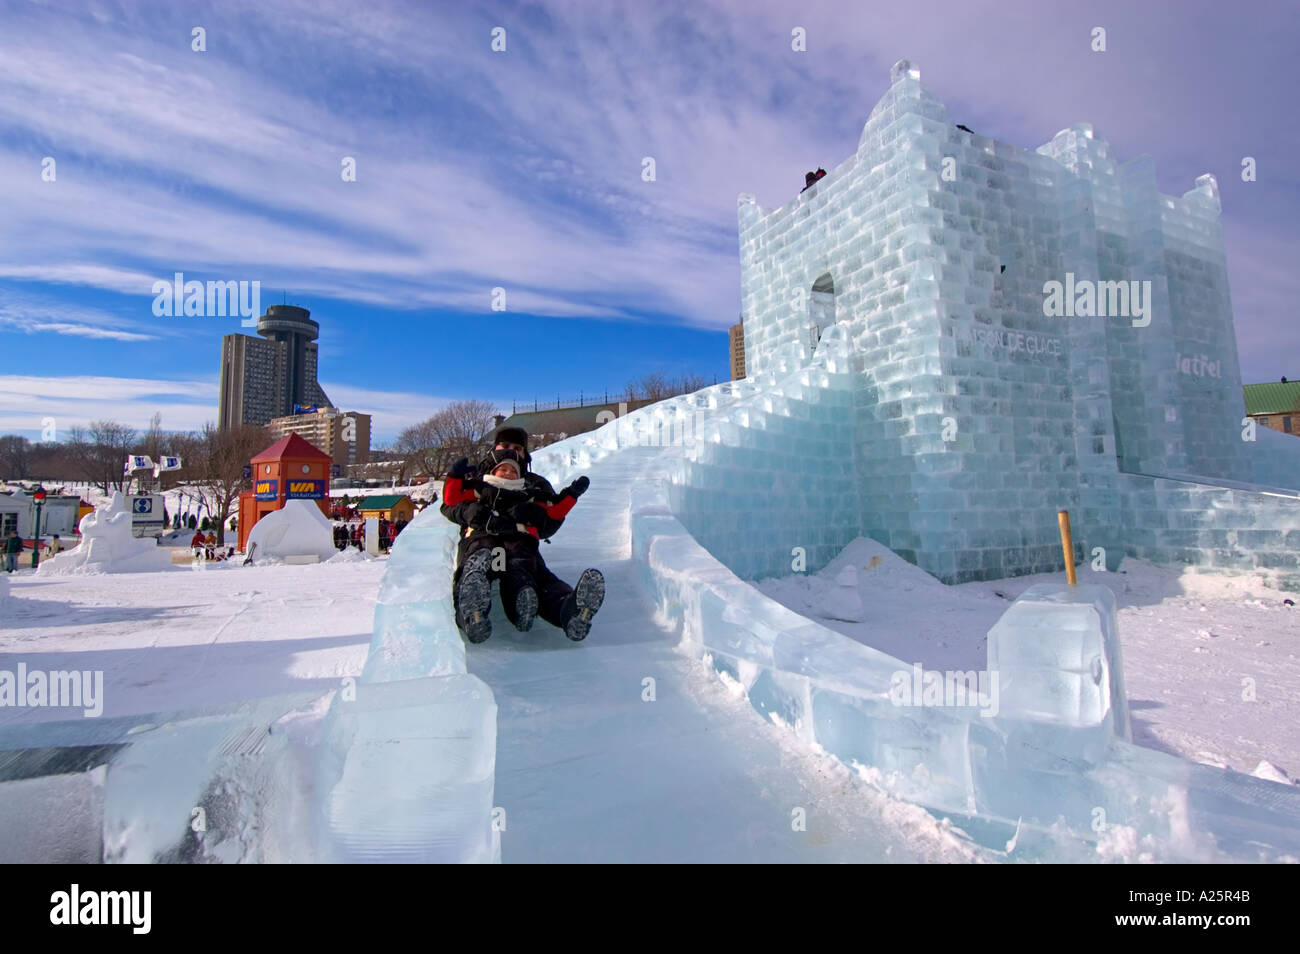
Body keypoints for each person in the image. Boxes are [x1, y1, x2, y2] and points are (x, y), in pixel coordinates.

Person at [441, 427, 604, 644]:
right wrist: (472, 512)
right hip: (484, 538)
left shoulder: (535, 485)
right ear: (495, 448)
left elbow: (550, 520)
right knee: (481, 560)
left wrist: (533, 512)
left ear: (525, 453)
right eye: (505, 446)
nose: (511, 451)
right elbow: (449, 504)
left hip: (518, 540)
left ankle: (566, 610)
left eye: (517, 447)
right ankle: (472, 612)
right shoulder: (478, 478)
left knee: (530, 570)